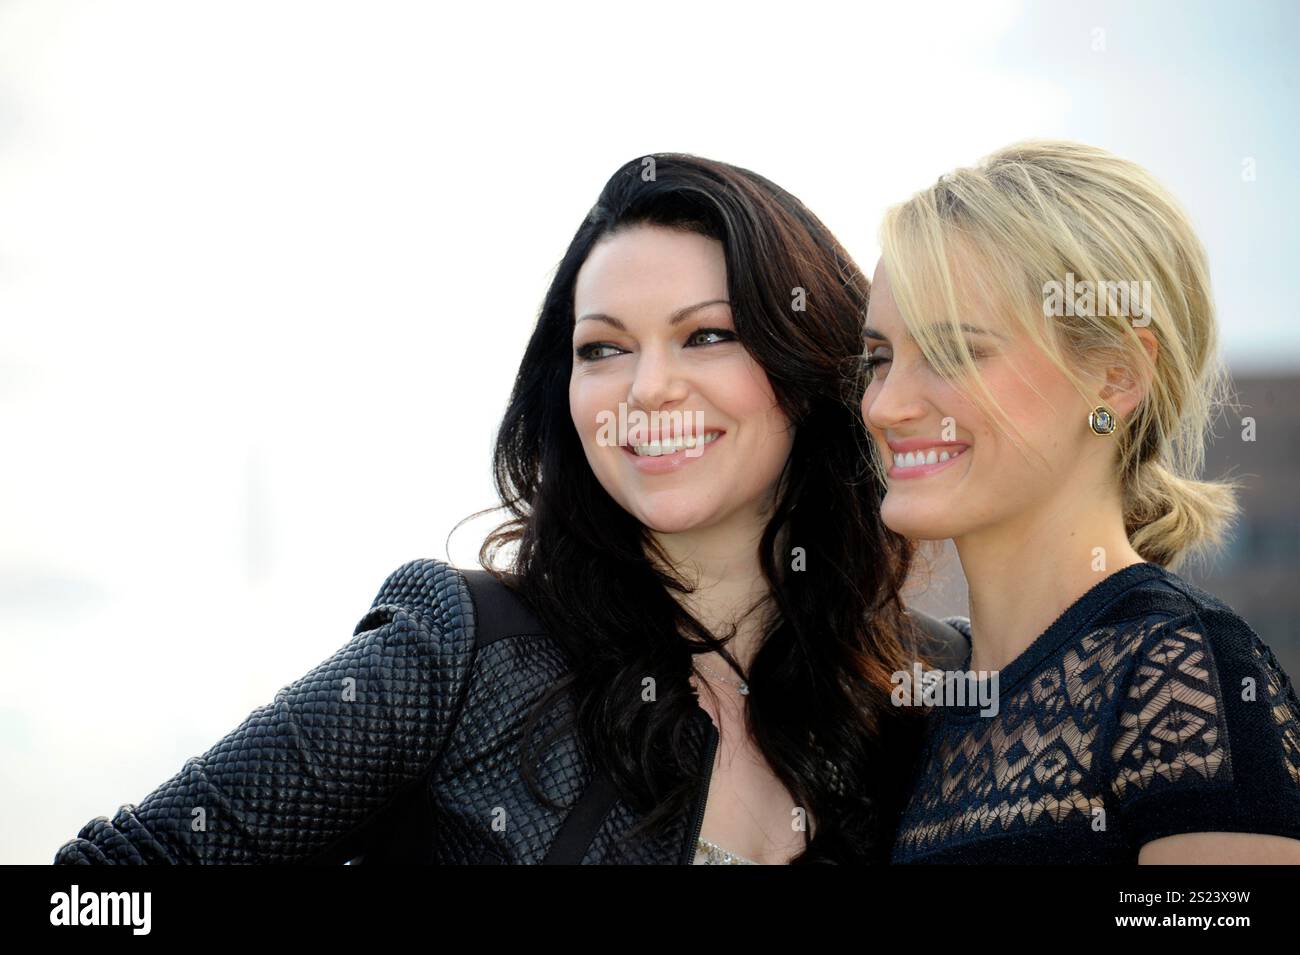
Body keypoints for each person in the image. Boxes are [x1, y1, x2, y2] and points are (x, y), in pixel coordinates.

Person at [54, 153, 965, 866]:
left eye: (707, 335)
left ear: (809, 368)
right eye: (603, 348)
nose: (648, 389)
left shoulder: (928, 686)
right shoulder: (461, 650)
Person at [860, 139, 1300, 863]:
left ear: (1115, 378)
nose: (887, 403)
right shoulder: (930, 710)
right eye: (880, 357)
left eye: (954, 352)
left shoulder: (1185, 674)